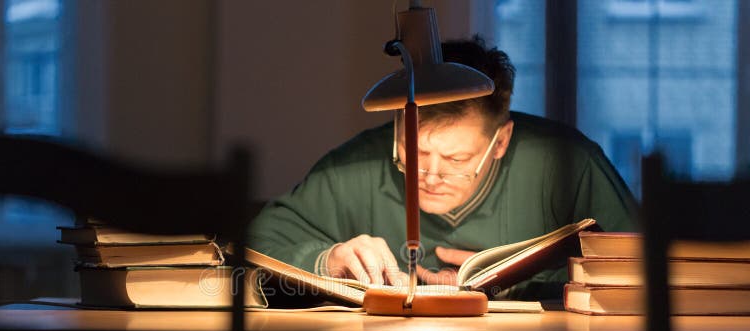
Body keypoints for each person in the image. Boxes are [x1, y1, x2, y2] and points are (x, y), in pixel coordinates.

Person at [248, 37, 637, 300]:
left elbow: (639, 271)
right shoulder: (357, 165)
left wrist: (514, 284)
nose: (429, 177)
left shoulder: (566, 162)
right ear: (397, 126)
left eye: (456, 160)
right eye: (413, 152)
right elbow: (258, 240)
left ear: (500, 142)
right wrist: (329, 261)